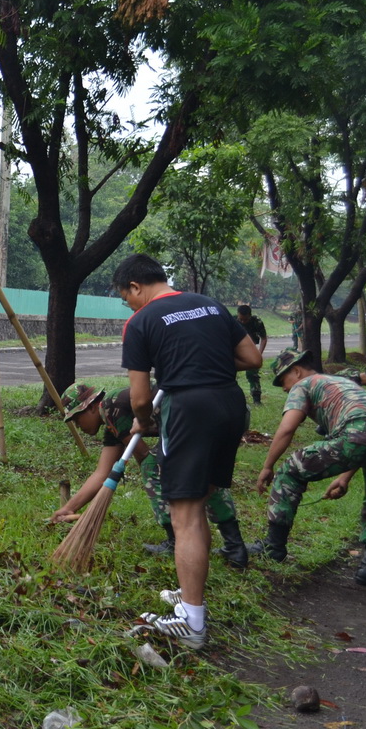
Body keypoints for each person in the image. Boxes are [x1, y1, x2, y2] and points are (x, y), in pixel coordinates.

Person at [116, 253, 262, 650]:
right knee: (201, 500)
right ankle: (189, 591)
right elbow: (252, 358)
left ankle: (192, 622)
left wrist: (143, 421)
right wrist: (205, 361)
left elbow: (139, 398)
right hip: (230, 405)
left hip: (190, 410)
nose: (129, 305)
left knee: (184, 514)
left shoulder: (141, 321)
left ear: (135, 286)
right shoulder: (209, 304)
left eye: (126, 297)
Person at [55, 382, 250, 568]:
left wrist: (160, 481)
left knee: (152, 468)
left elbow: (143, 454)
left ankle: (176, 539)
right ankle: (235, 546)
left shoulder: (109, 407)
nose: (77, 426)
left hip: (195, 418)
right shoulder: (112, 419)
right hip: (225, 412)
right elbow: (102, 473)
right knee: (207, 477)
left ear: (90, 407)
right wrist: (69, 508)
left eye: (76, 418)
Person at [256, 349, 366, 587]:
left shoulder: (303, 385)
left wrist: (267, 466)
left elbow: (287, 428)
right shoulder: (342, 383)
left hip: (358, 434)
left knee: (289, 471)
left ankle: (273, 546)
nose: (284, 388)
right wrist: (344, 478)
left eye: (283, 381)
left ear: (296, 371)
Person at [236, 305, 268, 405]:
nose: (242, 322)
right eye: (240, 319)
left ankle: (256, 399)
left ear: (250, 316)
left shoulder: (257, 322)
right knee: (230, 373)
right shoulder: (233, 321)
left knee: (253, 374)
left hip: (250, 349)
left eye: (245, 319)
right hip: (235, 348)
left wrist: (259, 354)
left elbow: (263, 338)